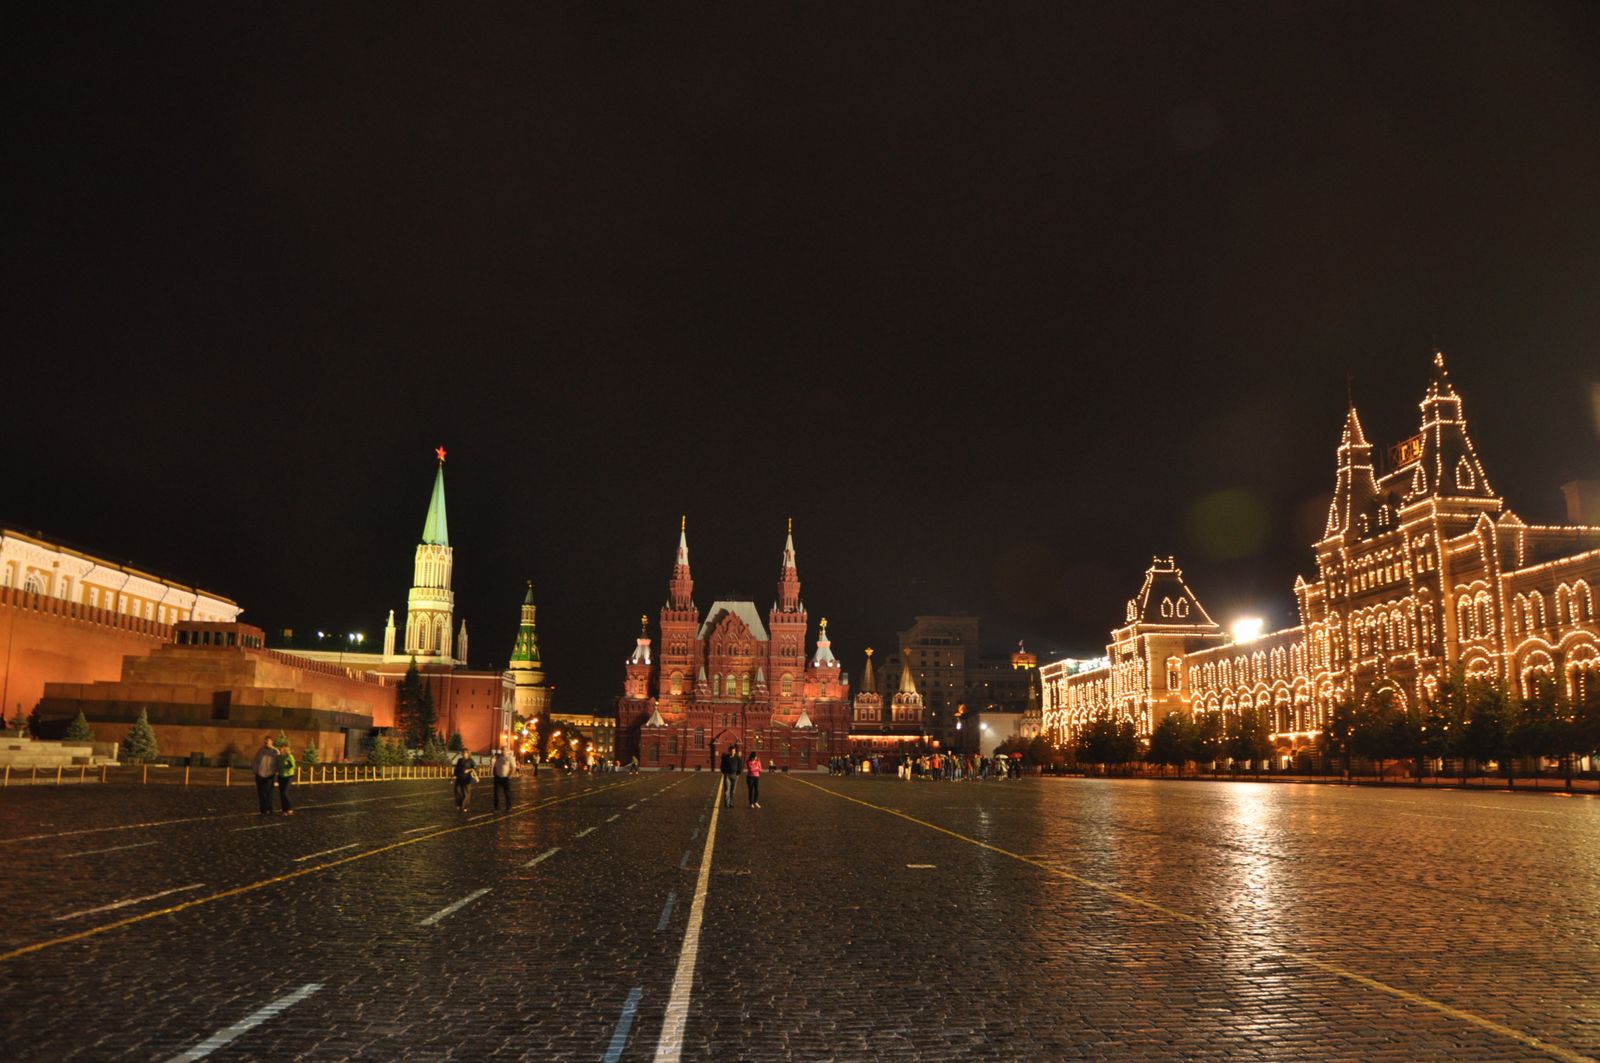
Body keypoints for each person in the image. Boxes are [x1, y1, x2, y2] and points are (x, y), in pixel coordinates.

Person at [251, 735, 278, 815]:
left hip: (270, 775)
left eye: (268, 741)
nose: (266, 742)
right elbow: (256, 761)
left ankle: (270, 808)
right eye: (265, 741)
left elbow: (278, 762)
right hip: (260, 774)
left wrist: (276, 770)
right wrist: (255, 770)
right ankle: (263, 810)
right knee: (261, 793)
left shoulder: (275, 751)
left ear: (272, 742)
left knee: (269, 792)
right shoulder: (261, 750)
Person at [276, 740, 297, 815]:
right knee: (281, 794)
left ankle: (290, 808)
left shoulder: (289, 756)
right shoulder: (279, 757)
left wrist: (287, 766)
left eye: (283, 748)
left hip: (289, 776)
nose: (281, 749)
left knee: (285, 792)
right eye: (281, 747)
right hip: (281, 776)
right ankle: (284, 810)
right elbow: (277, 766)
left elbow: (293, 766)